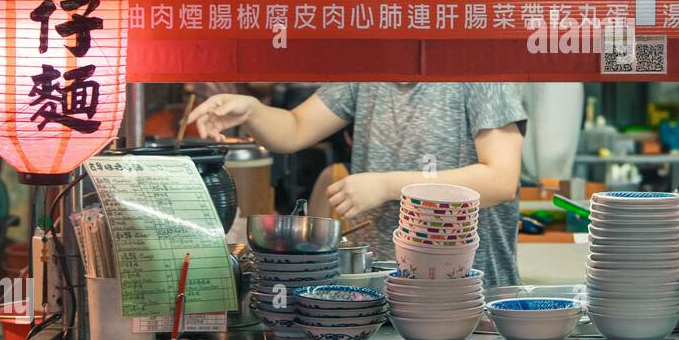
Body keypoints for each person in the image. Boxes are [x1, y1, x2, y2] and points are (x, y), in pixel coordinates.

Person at [189, 83, 527, 285]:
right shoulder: (372, 70)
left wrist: (387, 186)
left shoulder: (480, 72)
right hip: (382, 289)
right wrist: (252, 111)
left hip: (469, 290)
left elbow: (500, 180)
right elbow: (294, 128)